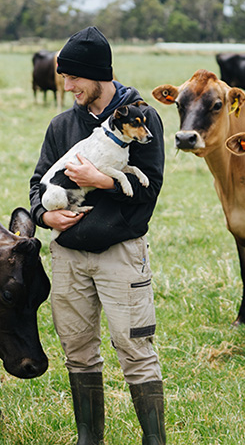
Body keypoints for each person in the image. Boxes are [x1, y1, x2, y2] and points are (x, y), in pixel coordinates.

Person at [29, 27, 166, 445]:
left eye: (74, 78)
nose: (66, 86)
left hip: (119, 253)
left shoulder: (141, 117)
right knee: (78, 352)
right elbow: (38, 183)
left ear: (99, 76)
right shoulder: (61, 126)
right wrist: (43, 216)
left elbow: (151, 189)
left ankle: (154, 441)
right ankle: (90, 438)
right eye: (64, 77)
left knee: (136, 351)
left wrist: (102, 182)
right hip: (68, 256)